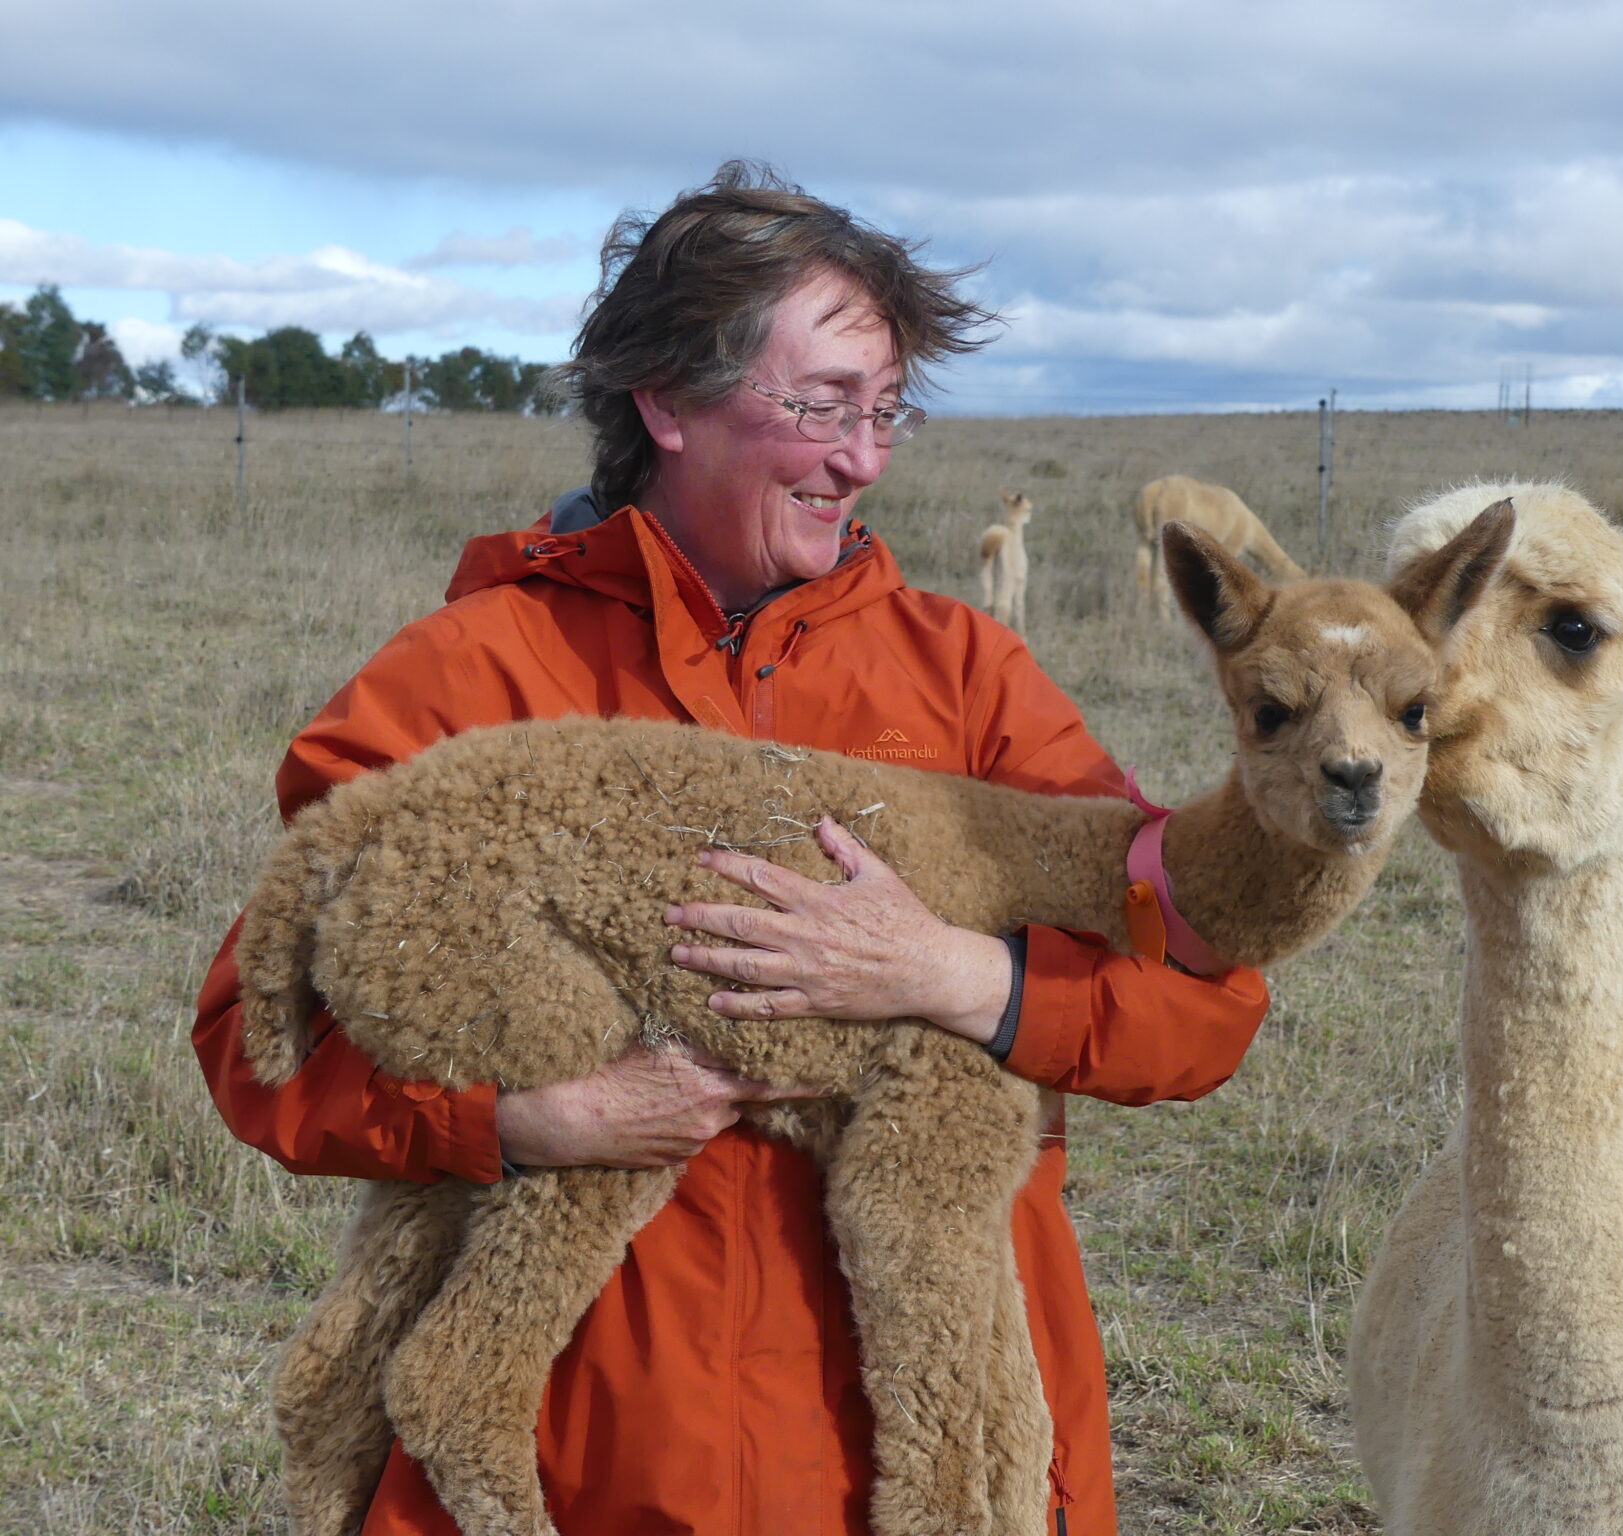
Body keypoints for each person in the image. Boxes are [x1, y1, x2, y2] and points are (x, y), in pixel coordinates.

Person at [192, 161, 1269, 1535]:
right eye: (820, 406)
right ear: (667, 402)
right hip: (592, 1473)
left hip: (902, 1475)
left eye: (886, 414)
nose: (862, 457)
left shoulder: (970, 684)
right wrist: (524, 1125)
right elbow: (256, 1040)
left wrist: (960, 978)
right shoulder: (471, 677)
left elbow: (1206, 1004)